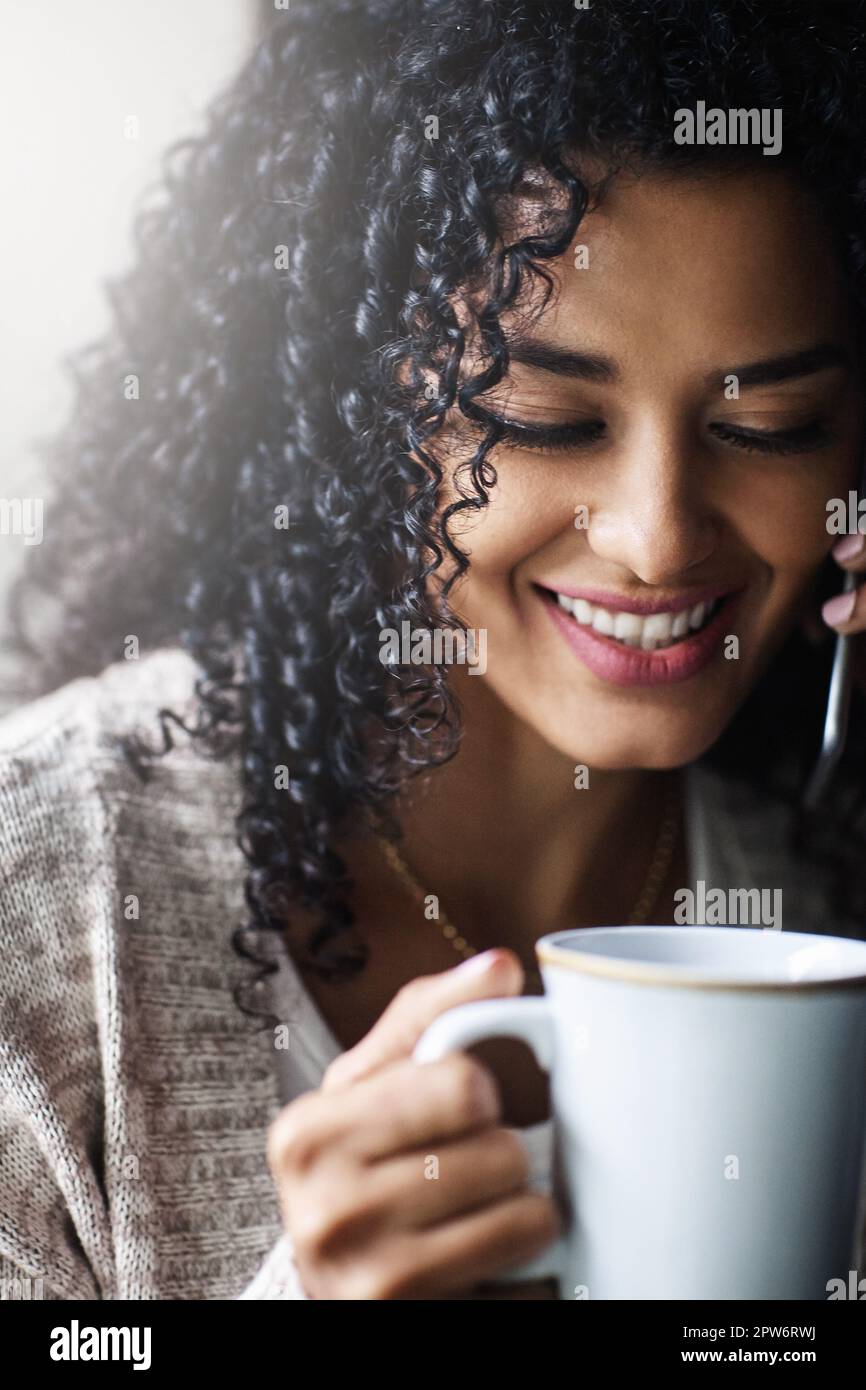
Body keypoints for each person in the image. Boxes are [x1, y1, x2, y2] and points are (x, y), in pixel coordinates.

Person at [2, 0, 866, 1301]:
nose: (653, 536)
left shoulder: (825, 872)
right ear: (346, 416)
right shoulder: (44, 911)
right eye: (541, 417)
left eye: (773, 426)